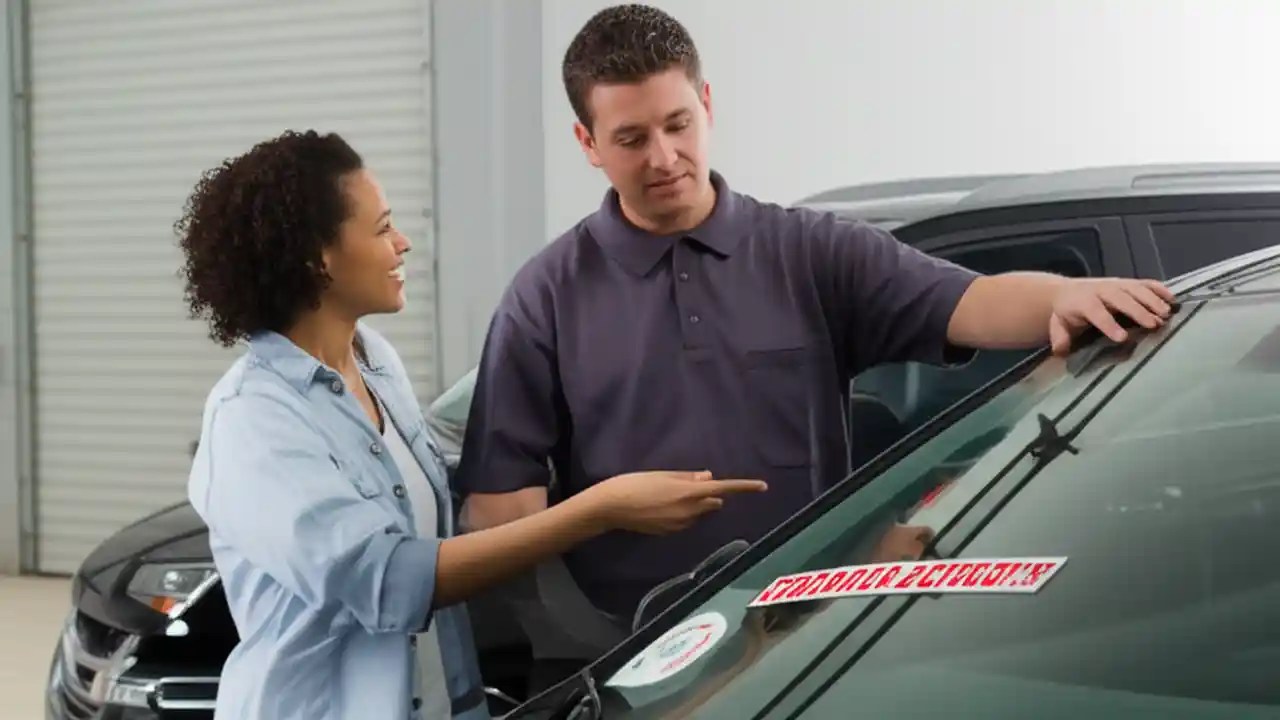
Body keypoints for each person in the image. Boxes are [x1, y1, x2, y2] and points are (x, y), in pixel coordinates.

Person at [458, 0, 1173, 639]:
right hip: (629, 658)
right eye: (631, 138)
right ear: (588, 144)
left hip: (809, 643)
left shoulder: (811, 252)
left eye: (678, 124)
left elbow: (969, 302)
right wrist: (604, 530)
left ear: (706, 104)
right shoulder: (544, 295)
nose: (665, 157)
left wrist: (1059, 299)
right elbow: (497, 514)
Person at [176, 130, 767, 720]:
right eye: (382, 229)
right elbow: (390, 580)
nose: (403, 243)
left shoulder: (374, 360)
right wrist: (600, 509)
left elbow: (431, 506)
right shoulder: (254, 421)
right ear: (318, 259)